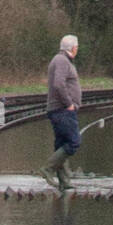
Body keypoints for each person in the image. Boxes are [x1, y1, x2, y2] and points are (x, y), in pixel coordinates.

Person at [41, 34, 81, 193]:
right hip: (62, 110)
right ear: (72, 47)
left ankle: (64, 181)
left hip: (59, 109)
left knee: (61, 143)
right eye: (77, 46)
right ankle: (47, 169)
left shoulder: (61, 60)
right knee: (73, 142)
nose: (77, 49)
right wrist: (69, 104)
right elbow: (59, 84)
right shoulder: (62, 61)